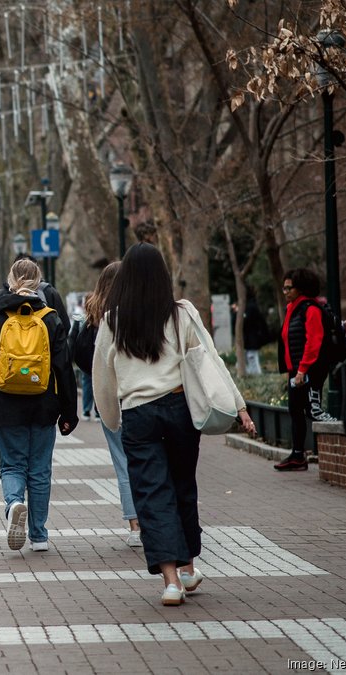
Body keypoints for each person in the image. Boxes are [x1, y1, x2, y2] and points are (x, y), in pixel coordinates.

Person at [93, 244, 255, 607]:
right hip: (180, 410)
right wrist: (238, 405)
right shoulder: (182, 313)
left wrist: (111, 417)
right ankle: (187, 567)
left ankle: (171, 582)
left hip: (138, 414)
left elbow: (102, 376)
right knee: (182, 486)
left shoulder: (112, 319)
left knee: (152, 494)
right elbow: (210, 360)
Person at [0, 258, 78, 553]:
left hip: (4, 405)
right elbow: (63, 368)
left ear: (11, 279)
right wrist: (70, 413)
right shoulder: (50, 317)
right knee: (40, 470)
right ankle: (39, 536)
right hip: (44, 404)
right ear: (38, 280)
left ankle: (14, 504)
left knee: (12, 464)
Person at [82, 262, 142, 547]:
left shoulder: (93, 312)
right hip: (135, 392)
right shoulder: (133, 312)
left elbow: (81, 354)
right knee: (147, 458)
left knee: (122, 461)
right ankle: (153, 518)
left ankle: (134, 525)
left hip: (107, 395)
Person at [275, 268, 335, 471]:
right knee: (295, 410)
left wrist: (302, 370)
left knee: (314, 410)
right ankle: (298, 455)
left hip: (309, 371)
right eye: (283, 288)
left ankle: (341, 448)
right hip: (297, 372)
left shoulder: (311, 309)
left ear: (301, 288)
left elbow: (314, 342)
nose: (285, 292)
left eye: (288, 288)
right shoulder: (294, 308)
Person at [69, 306, 96, 420]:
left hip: (85, 359)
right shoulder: (103, 320)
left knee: (86, 384)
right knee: (98, 384)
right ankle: (99, 412)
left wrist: (70, 357)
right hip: (97, 358)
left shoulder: (80, 319)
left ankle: (86, 411)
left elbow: (73, 337)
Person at [239, 287, 269, 375]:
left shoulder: (250, 307)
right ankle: (254, 373)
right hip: (251, 338)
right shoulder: (251, 305)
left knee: (252, 357)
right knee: (251, 357)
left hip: (252, 338)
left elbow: (248, 322)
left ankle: (256, 374)